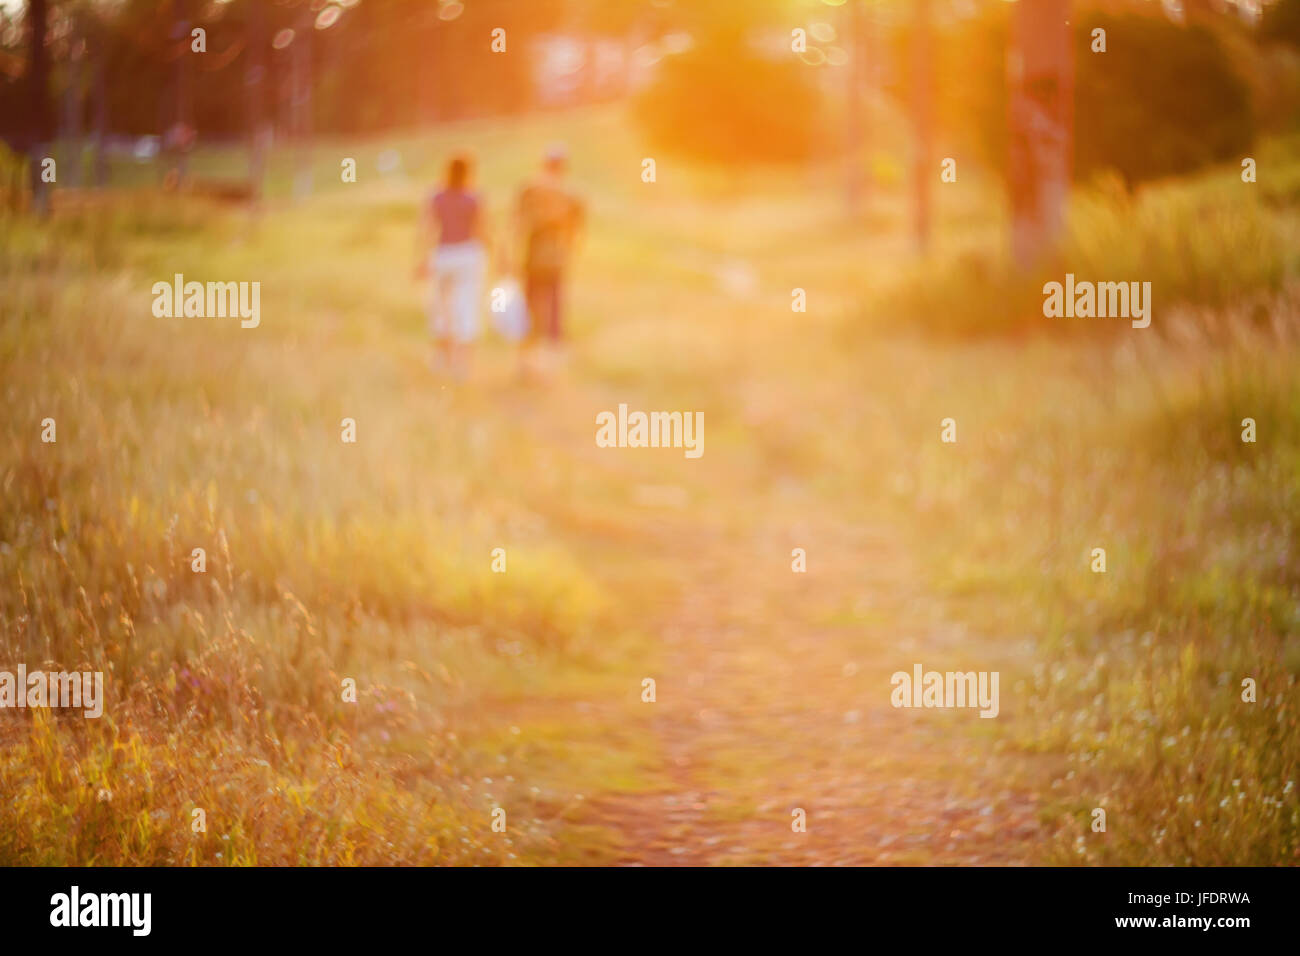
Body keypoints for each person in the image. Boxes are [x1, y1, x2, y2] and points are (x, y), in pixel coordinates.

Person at [514, 145, 585, 368]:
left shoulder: (530, 189)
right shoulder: (571, 194)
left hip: (533, 255)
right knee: (554, 304)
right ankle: (551, 354)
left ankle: (528, 350)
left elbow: (518, 223)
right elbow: (576, 231)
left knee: (530, 303)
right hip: (556, 256)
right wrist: (570, 252)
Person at [418, 153, 488, 378]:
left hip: (443, 255)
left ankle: (440, 358)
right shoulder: (474, 197)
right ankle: (462, 364)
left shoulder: (436, 196)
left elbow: (426, 230)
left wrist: (421, 260)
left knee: (441, 305)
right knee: (466, 306)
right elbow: (483, 229)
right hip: (468, 255)